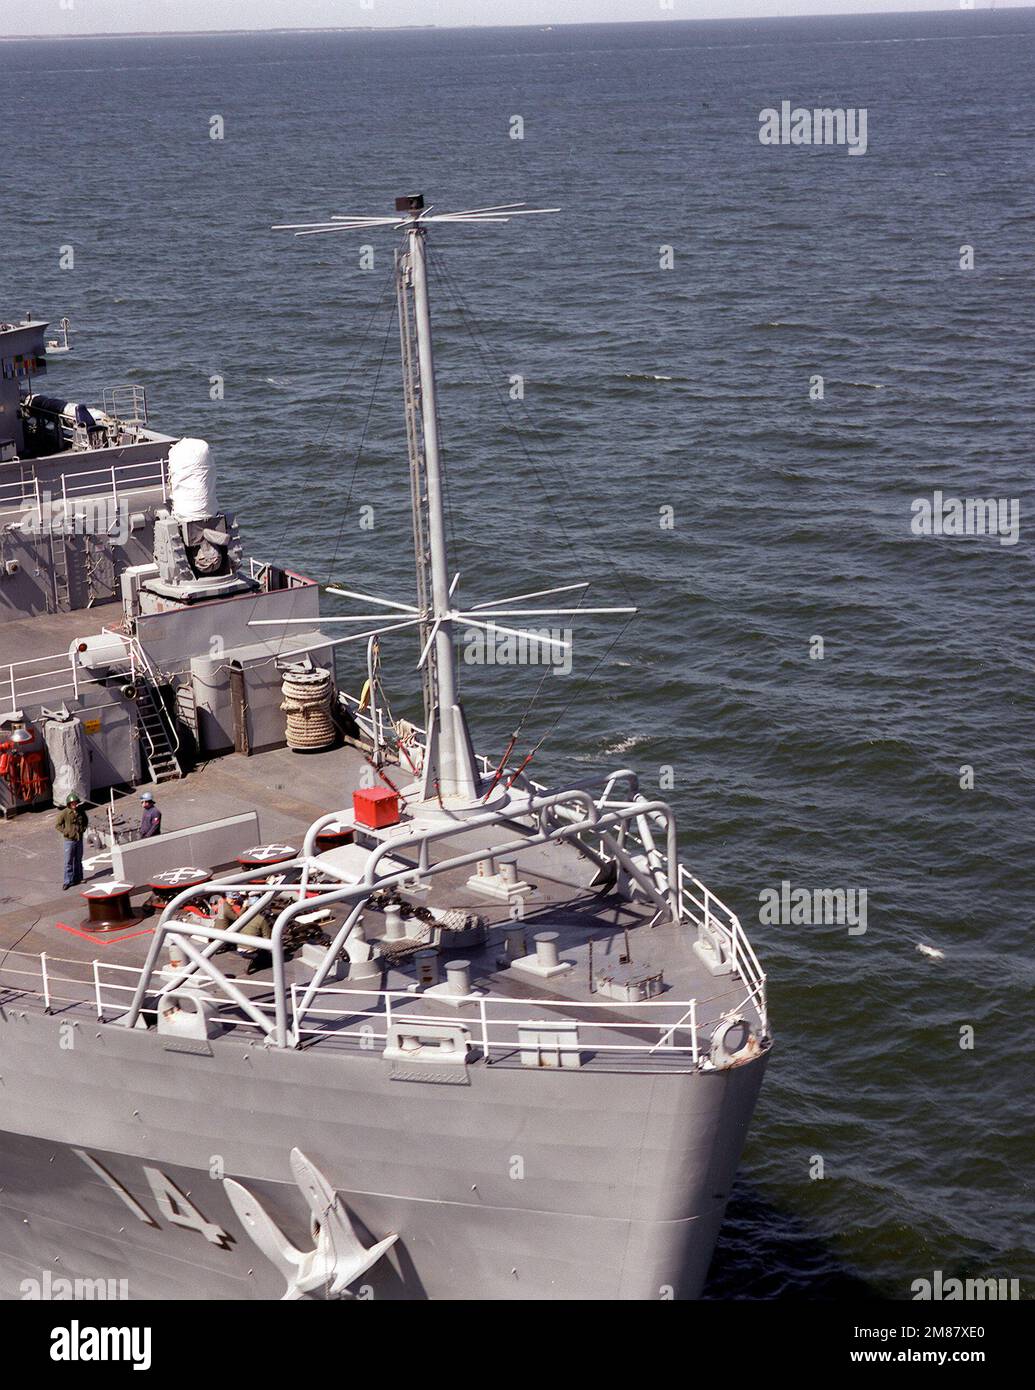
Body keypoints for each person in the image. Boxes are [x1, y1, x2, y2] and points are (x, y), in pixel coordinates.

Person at [55, 794, 88, 890]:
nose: (74, 804)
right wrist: (66, 832)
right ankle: (67, 881)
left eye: (75, 802)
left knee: (78, 859)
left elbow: (85, 820)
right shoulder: (64, 813)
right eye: (72, 803)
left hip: (79, 839)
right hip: (69, 840)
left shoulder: (80, 811)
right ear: (69, 804)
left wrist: (83, 829)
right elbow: (57, 825)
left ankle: (79, 878)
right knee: (68, 861)